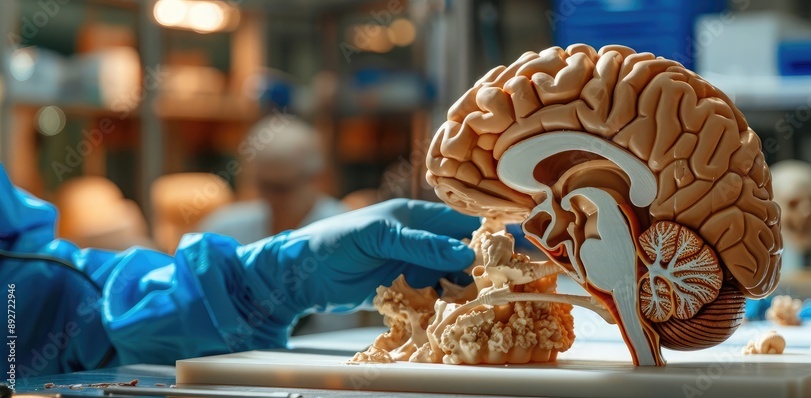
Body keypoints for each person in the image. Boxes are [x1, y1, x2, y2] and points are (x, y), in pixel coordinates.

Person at [0, 166, 478, 377]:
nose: (274, 198)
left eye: (286, 185)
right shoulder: (229, 223)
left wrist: (266, 280)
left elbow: (61, 307)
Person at [199, 114, 349, 244]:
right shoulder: (225, 229)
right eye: (264, 185)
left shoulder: (343, 232)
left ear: (316, 180)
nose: (271, 198)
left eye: (281, 188)